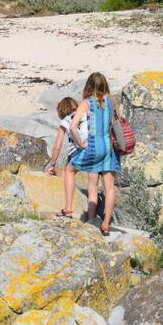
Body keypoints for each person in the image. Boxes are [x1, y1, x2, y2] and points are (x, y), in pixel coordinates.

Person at [69, 72, 121, 236]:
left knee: (70, 171)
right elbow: (115, 123)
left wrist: (81, 143)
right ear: (105, 85)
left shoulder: (86, 103)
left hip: (93, 147)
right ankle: (105, 224)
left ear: (89, 86)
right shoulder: (112, 101)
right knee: (110, 187)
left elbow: (72, 127)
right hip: (108, 148)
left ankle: (71, 209)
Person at [45, 96, 86, 217]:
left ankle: (68, 208)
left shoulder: (65, 121)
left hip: (78, 150)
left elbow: (57, 147)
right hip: (94, 146)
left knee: (68, 172)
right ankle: (93, 216)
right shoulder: (83, 114)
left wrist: (52, 164)